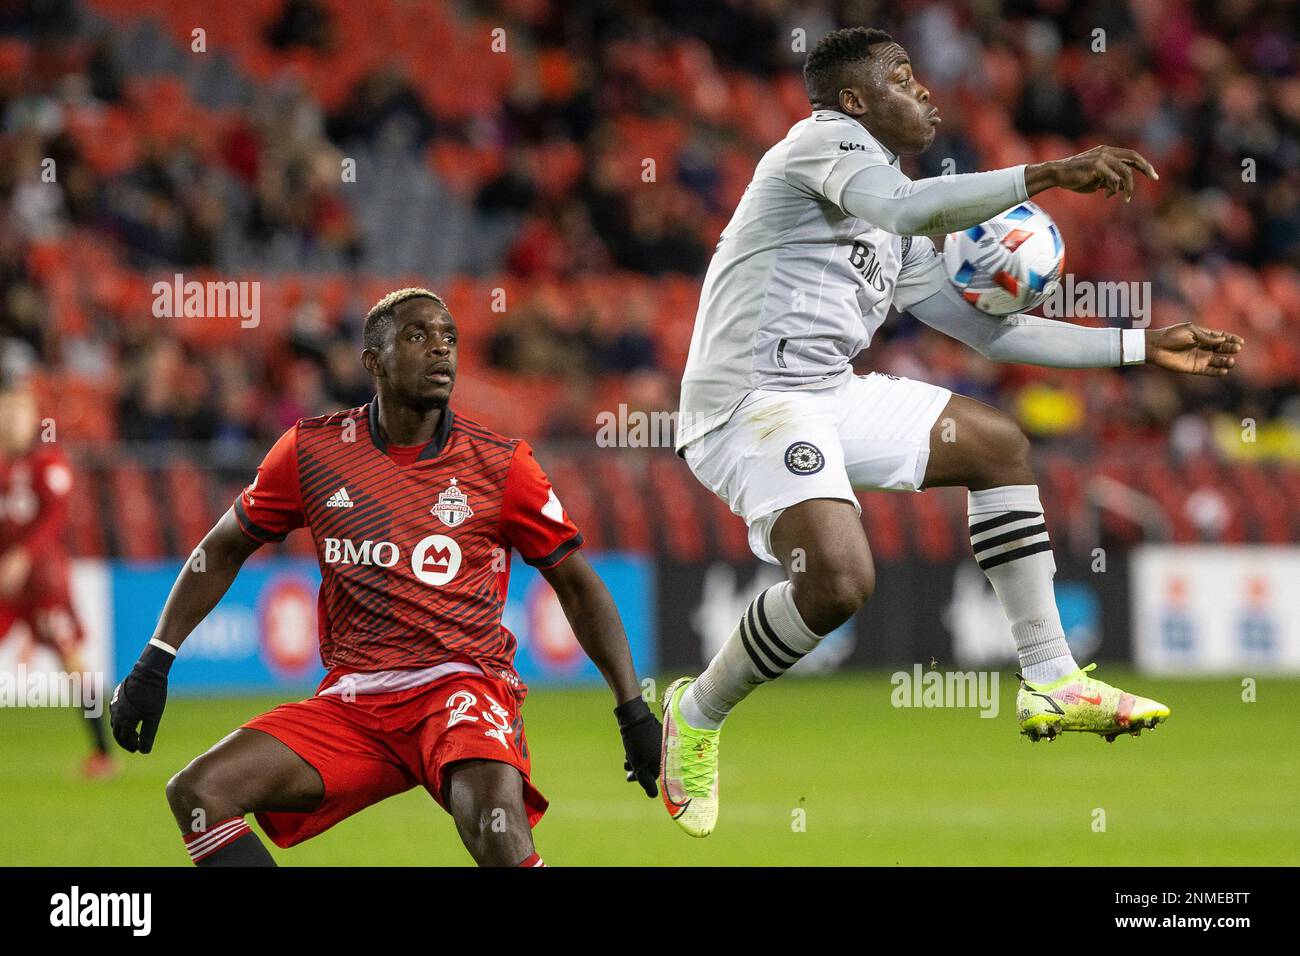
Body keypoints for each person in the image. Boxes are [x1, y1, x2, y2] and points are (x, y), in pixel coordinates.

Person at [660, 27, 1245, 838]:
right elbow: (906, 204)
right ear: (857, 101)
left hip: (827, 392)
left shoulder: (894, 217)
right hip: (747, 403)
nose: (925, 90)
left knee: (997, 444)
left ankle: (1052, 677)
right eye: (902, 78)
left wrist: (1141, 345)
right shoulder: (819, 147)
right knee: (837, 583)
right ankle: (695, 713)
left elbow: (993, 336)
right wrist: (1044, 173)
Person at [111, 287, 661, 866]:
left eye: (449, 337)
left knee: (497, 832)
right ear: (373, 361)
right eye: (419, 336)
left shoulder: (500, 465)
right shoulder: (312, 453)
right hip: (355, 704)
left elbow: (576, 582)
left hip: (460, 686)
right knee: (199, 795)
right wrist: (155, 659)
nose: (441, 349)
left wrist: (632, 709)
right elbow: (221, 549)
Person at [0, 379, 113, 779]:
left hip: (45, 582)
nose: (10, 423)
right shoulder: (4, 465)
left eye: (17, 415)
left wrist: (24, 557)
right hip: (6, 585)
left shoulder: (48, 460)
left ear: (33, 419)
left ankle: (103, 751)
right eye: (5, 415)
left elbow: (55, 516)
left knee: (70, 660)